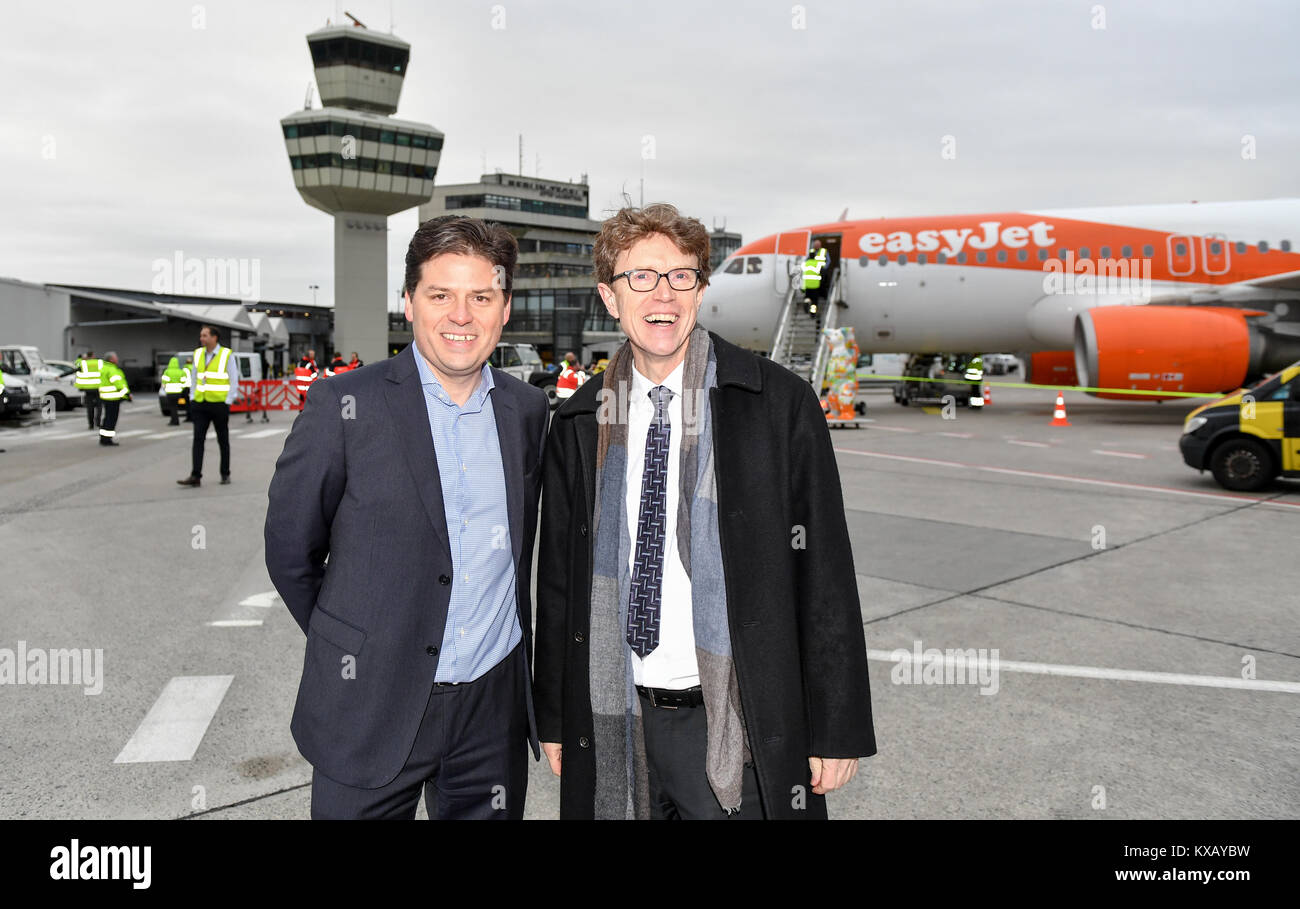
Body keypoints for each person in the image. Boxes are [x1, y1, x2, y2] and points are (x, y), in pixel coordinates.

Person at [535, 203, 876, 820]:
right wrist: (555, 715)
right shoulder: (581, 421)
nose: (661, 294)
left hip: (738, 721)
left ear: (700, 289)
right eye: (640, 276)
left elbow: (824, 572)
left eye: (680, 276)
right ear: (610, 298)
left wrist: (836, 725)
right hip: (619, 713)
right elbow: (559, 585)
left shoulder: (777, 405)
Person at [265, 214, 549, 820]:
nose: (461, 314)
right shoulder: (345, 405)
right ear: (409, 304)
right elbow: (291, 550)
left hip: (490, 711)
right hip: (367, 702)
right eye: (440, 294)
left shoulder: (526, 412)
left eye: (481, 296)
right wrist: (355, 642)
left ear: (504, 309)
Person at [177, 325, 238, 488]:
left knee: (223, 440)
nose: (201, 338)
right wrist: (192, 398)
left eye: (204, 335)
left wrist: (228, 402)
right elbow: (194, 378)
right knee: (198, 440)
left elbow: (233, 380)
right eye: (201, 336)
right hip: (200, 404)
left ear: (214, 337)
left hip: (219, 404)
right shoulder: (198, 354)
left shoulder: (226, 355)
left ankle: (225, 473)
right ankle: (195, 475)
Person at [96, 352, 130, 446]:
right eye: (116, 357)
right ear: (111, 359)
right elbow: (118, 383)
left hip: (105, 397)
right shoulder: (112, 369)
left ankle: (103, 438)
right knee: (111, 419)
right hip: (113, 398)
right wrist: (126, 394)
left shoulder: (104, 368)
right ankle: (107, 439)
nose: (117, 359)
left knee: (107, 418)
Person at [74, 351, 104, 430]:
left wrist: (60, 376)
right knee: (99, 406)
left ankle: (91, 424)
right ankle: (98, 422)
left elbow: (75, 368)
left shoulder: (84, 364)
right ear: (93, 356)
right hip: (98, 388)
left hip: (88, 388)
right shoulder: (99, 363)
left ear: (87, 356)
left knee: (90, 407)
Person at [159, 356, 188, 426]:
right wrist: (181, 389)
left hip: (170, 392)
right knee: (175, 407)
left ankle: (174, 421)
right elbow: (184, 382)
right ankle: (174, 420)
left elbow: (164, 382)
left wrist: (165, 389)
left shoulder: (167, 371)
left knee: (172, 407)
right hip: (178, 393)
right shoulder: (181, 372)